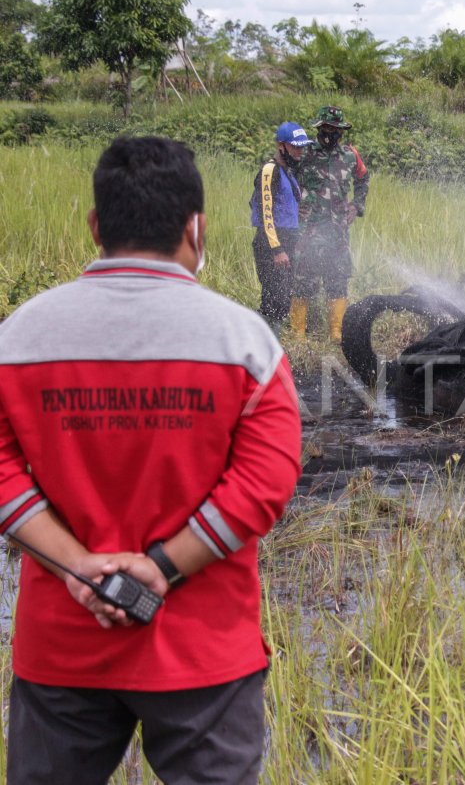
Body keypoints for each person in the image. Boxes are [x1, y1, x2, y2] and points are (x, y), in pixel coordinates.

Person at [0, 136, 302, 784]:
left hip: (61, 650)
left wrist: (76, 564)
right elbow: (265, 483)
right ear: (196, 228)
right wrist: (161, 568)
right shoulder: (246, 342)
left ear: (95, 226)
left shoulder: (18, 337)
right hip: (204, 656)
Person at [292, 105, 370, 342]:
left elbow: (364, 177)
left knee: (338, 278)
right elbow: (284, 178)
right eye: (327, 128)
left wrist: (356, 205)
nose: (331, 133)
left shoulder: (349, 155)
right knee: (304, 278)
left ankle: (336, 332)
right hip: (308, 228)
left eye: (336, 129)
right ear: (319, 128)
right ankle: (298, 333)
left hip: (337, 229)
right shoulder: (304, 154)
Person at [250, 121, 313, 330]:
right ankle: (258, 343)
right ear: (281, 145)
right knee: (273, 301)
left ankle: (270, 347)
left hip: (287, 240)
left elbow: (283, 206)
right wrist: (277, 249)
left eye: (302, 147)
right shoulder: (270, 170)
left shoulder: (288, 172)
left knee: (282, 302)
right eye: (295, 146)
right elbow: (265, 212)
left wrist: (298, 212)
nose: (299, 152)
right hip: (271, 243)